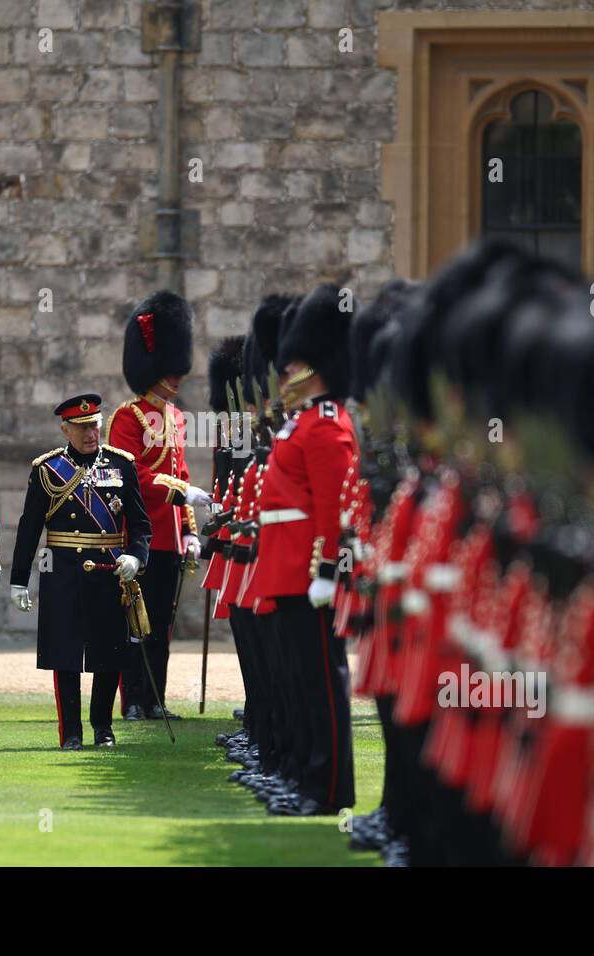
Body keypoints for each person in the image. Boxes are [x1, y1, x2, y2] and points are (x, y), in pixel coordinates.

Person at [244, 284, 358, 817]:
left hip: (309, 573)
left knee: (321, 685)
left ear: (314, 366)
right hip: (284, 570)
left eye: (292, 366)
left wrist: (329, 571)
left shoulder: (328, 425)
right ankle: (306, 779)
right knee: (299, 682)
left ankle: (327, 788)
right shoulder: (303, 423)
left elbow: (338, 507)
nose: (283, 374)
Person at [9, 394, 152, 749]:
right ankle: (71, 732)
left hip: (109, 570)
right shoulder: (47, 469)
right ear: (65, 430)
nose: (91, 434)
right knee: (65, 652)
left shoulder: (122, 465)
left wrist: (136, 557)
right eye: (82, 428)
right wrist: (18, 581)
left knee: (109, 652)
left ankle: (103, 727)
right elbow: (29, 529)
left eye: (95, 426)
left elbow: (140, 524)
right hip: (64, 570)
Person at [106, 291, 210, 721]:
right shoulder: (126, 418)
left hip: (168, 536)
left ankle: (155, 699)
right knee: (136, 620)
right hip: (137, 535)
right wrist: (179, 494)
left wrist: (189, 530)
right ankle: (131, 699)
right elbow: (133, 477)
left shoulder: (178, 418)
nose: (176, 378)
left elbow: (180, 473)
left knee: (162, 624)